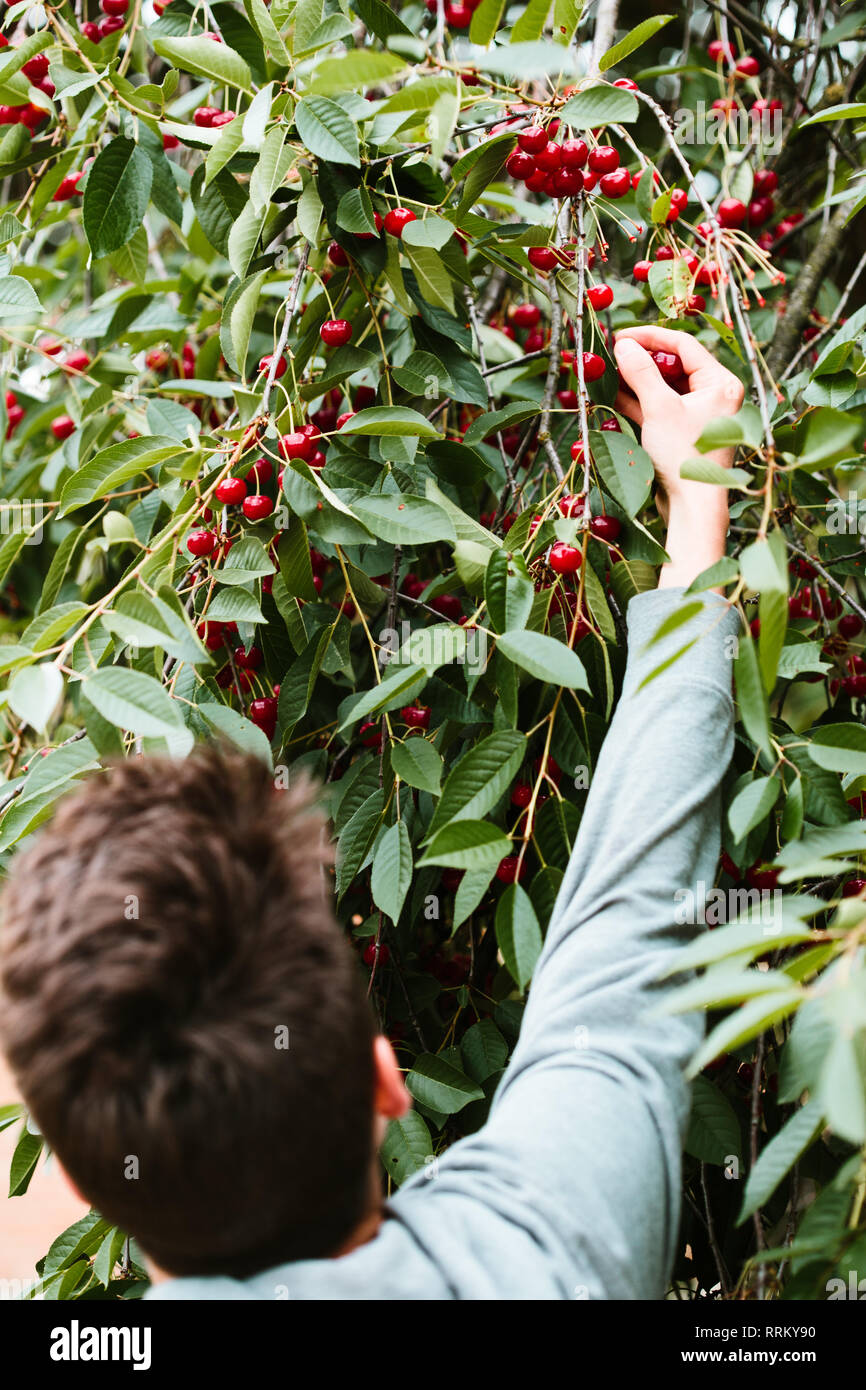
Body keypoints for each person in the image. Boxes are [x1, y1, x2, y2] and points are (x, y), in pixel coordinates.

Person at [0, 326, 744, 1300]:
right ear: (387, 1081)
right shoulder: (550, 1246)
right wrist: (696, 512)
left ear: (91, 1189)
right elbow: (632, 924)